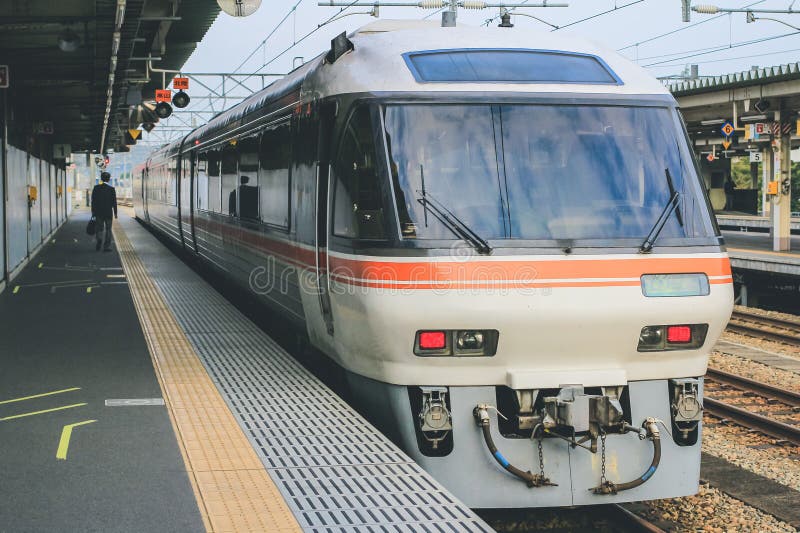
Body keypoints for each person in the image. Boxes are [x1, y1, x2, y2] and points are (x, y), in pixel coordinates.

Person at [91, 171, 118, 252]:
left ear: (101, 178)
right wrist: (115, 213)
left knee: (99, 228)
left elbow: (93, 201)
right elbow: (114, 202)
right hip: (108, 213)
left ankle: (99, 239)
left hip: (98, 212)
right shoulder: (111, 189)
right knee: (108, 229)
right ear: (109, 179)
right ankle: (106, 247)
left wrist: (93, 212)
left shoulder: (96, 188)